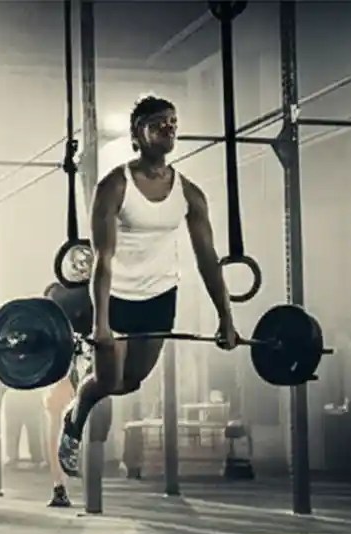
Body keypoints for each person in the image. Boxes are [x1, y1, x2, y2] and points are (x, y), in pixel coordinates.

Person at [57, 95, 239, 477]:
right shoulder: (114, 187)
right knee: (107, 380)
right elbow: (102, 260)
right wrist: (101, 324)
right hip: (116, 294)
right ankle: (75, 415)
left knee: (131, 381)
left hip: (159, 297)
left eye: (172, 122)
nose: (168, 129)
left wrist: (226, 316)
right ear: (137, 135)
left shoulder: (188, 193)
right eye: (158, 123)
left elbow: (208, 259)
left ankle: (88, 382)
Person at [43, 279, 94, 507]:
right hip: (68, 367)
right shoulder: (58, 294)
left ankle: (61, 486)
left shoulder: (91, 289)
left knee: (67, 422)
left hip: (78, 365)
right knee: (59, 419)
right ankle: (60, 486)